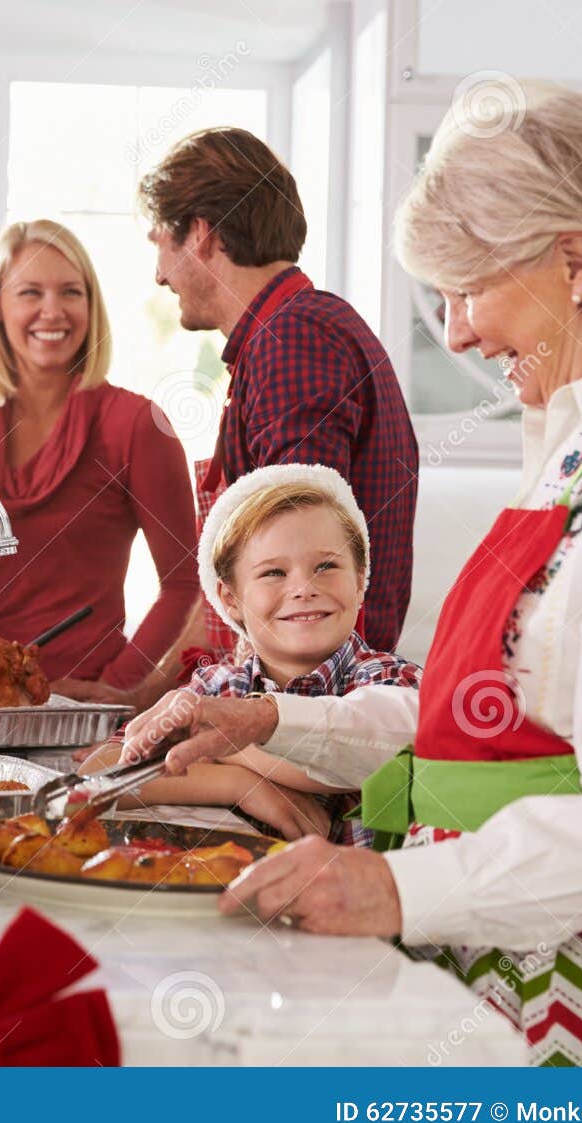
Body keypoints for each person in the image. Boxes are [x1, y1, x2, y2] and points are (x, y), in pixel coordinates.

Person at [123, 84, 582, 1067]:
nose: (453, 333)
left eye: (465, 288)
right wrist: (274, 719)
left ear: (574, 262)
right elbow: (491, 720)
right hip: (526, 942)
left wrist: (394, 889)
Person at [116, 127, 418, 709]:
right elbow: (253, 577)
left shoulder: (293, 341)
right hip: (297, 702)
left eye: (161, 244)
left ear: (200, 234)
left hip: (307, 705)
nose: (159, 274)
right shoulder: (284, 338)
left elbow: (292, 568)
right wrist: (145, 697)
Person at [0, 220, 199, 695]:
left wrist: (115, 690)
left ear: (91, 305)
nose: (52, 310)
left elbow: (185, 583)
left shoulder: (137, 423)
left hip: (83, 703)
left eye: (70, 292)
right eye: (29, 293)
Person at [80, 464, 419, 841]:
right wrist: (240, 784)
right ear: (231, 599)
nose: (304, 588)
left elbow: (353, 755)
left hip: (349, 897)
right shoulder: (217, 685)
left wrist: (227, 747)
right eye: (274, 572)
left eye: (326, 566)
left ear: (359, 583)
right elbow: (99, 774)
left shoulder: (388, 678)